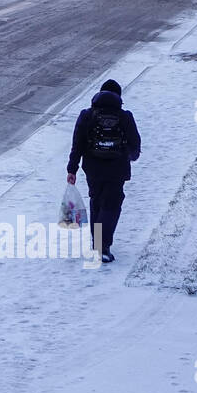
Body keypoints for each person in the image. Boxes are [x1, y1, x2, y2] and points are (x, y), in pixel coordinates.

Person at [66, 79, 141, 263]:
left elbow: (77, 145)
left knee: (97, 202)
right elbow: (135, 145)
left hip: (92, 168)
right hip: (117, 168)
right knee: (112, 205)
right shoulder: (125, 117)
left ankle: (97, 244)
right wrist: (128, 155)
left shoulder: (87, 115)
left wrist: (72, 169)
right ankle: (102, 247)